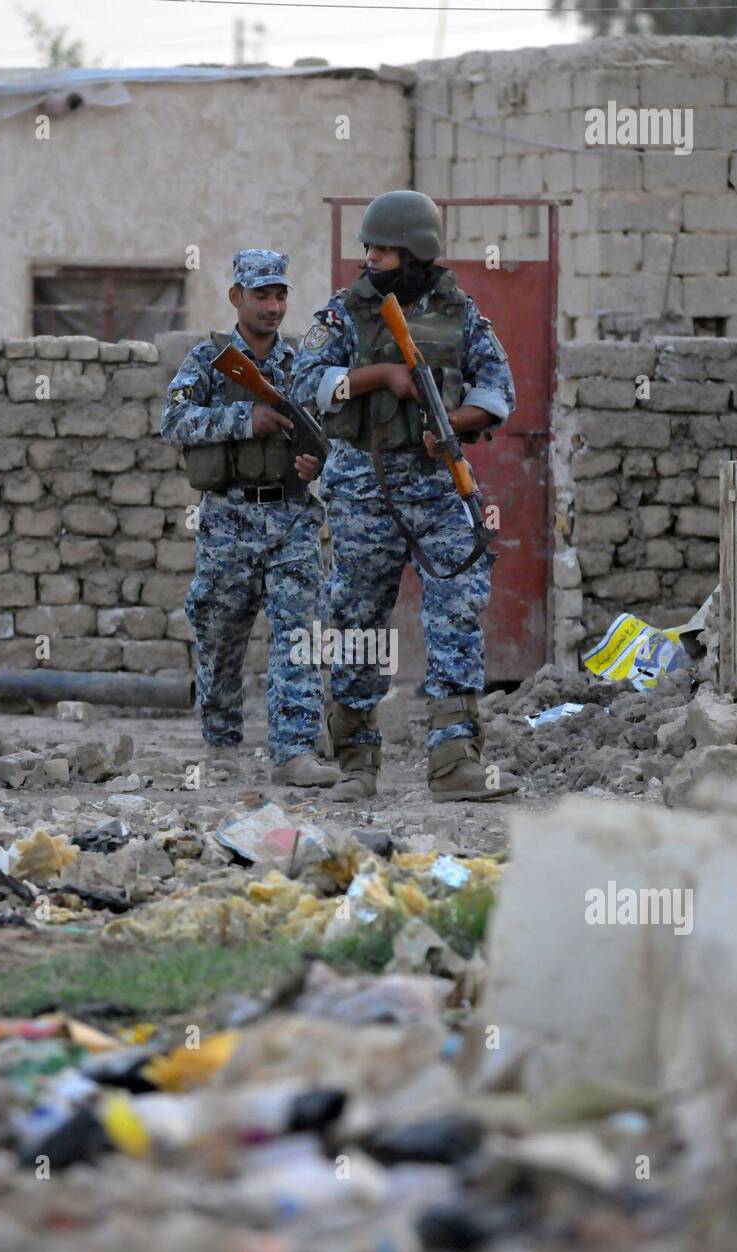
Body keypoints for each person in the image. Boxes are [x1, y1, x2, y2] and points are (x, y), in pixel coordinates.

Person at [291, 190, 517, 802]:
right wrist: (379, 377)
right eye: (368, 247)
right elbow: (304, 381)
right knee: (357, 618)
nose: (372, 258)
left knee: (458, 611)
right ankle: (357, 761)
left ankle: (454, 762)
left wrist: (454, 424)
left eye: (385, 250)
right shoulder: (345, 313)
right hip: (362, 486)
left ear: (417, 252)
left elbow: (499, 389)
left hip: (438, 485)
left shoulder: (459, 311)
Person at [160, 248, 337, 788]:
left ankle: (294, 750)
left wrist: (314, 463)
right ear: (236, 296)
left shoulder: (301, 362)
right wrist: (245, 418)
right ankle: (222, 743)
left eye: (281, 294)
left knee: (299, 635)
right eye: (262, 294)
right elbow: (173, 421)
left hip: (292, 517)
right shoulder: (208, 360)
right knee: (220, 635)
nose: (273, 305)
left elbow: (326, 439)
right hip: (230, 521)